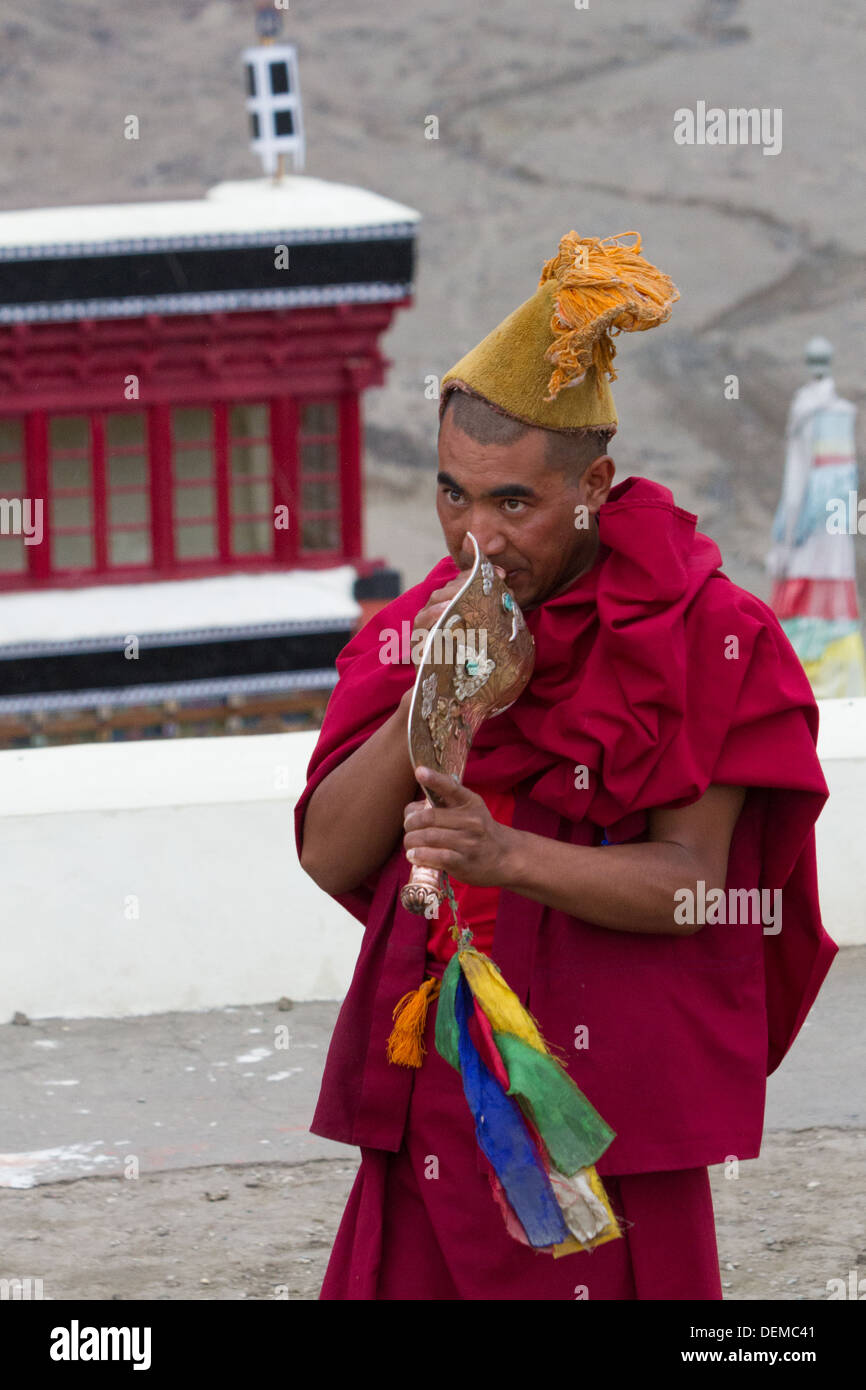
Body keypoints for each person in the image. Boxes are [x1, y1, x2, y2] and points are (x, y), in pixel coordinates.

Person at [295, 231, 836, 1300]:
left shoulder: (698, 631)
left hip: (604, 1097)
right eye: (453, 495)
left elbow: (695, 888)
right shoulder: (423, 626)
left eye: (512, 505)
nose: (474, 541)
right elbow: (327, 852)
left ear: (592, 485)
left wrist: (505, 854)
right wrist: (433, 693)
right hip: (443, 1071)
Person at [767, 336, 866, 697]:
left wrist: (783, 541)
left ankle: (801, 686)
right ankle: (838, 685)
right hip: (835, 530)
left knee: (801, 601)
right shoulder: (844, 413)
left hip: (808, 530)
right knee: (833, 604)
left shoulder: (804, 413)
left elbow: (796, 485)